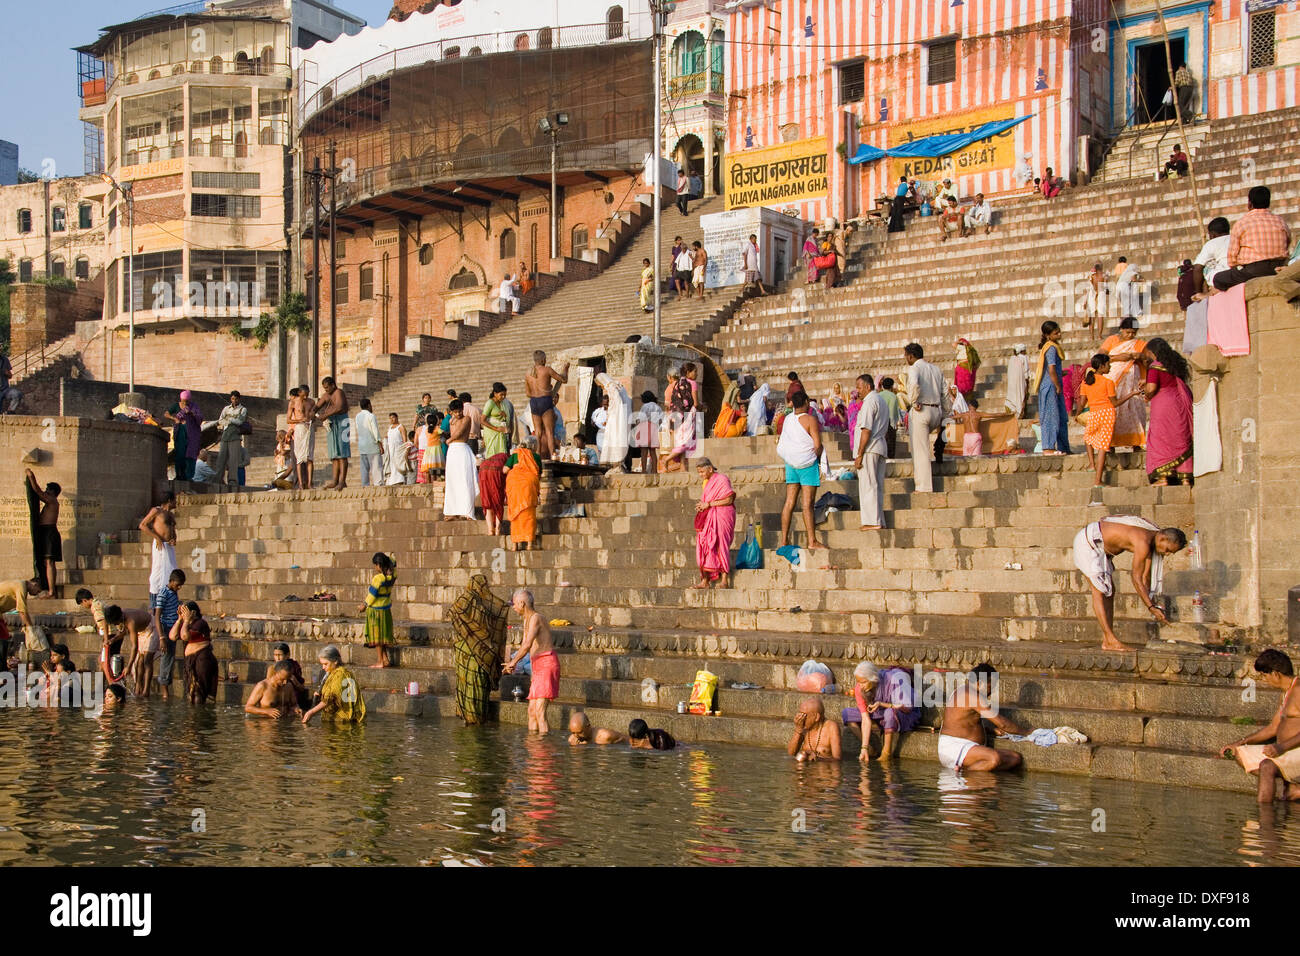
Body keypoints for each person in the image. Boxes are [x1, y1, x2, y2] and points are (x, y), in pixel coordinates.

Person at [1072, 517, 1187, 651]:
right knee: (1099, 590)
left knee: (1110, 591)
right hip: (1089, 542)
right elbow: (1136, 578)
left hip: (1103, 551)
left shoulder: (1151, 541)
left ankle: (1107, 640)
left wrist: (1154, 604)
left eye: (1170, 553)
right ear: (1162, 538)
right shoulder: (1143, 542)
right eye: (1167, 549)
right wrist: (1150, 607)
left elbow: (1145, 578)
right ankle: (1110, 640)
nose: (1166, 554)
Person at [1220, 650, 1300, 803]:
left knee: (1267, 766)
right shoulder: (1286, 693)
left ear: (1276, 674)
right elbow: (1272, 729)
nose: (1264, 680)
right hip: (1285, 750)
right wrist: (1238, 743)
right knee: (1240, 753)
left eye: (1264, 675)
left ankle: (1265, 821)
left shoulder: (1298, 690)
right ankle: (1292, 788)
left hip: (1293, 750)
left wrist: (1281, 747)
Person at [938, 663, 1028, 772]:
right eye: (991, 686)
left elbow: (968, 722)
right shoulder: (970, 695)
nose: (991, 691)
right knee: (994, 758)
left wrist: (989, 731)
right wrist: (1027, 733)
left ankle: (974, 773)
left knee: (1015, 758)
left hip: (969, 747)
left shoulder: (969, 692)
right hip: (954, 747)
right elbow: (1002, 723)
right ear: (980, 683)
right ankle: (962, 775)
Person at [449, 573, 509, 725]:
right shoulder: (485, 605)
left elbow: (453, 615)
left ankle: (468, 719)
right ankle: (477, 719)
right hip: (480, 651)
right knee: (477, 684)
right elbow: (491, 628)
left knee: (467, 683)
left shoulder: (462, 601)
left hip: (464, 649)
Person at [1076, 353, 1140, 487]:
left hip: (1094, 414)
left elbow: (1082, 403)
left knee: (1088, 439)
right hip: (1107, 415)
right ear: (1101, 366)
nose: (1110, 366)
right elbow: (1115, 403)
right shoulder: (1108, 382)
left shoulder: (1085, 383)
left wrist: (1077, 414)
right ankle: (1097, 481)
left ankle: (1092, 465)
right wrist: (1132, 394)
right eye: (1108, 364)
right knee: (1102, 448)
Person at [1213, 185, 1293, 291]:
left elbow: (1232, 258)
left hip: (1253, 271)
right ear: (1268, 202)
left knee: (1218, 279)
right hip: (1279, 267)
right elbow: (1288, 242)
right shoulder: (1280, 221)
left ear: (1249, 204)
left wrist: (1236, 268)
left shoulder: (1242, 222)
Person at [1142, 337, 1195, 486]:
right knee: (1180, 437)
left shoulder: (1155, 366)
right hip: (1179, 404)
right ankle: (1185, 477)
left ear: (1153, 352)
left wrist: (1143, 391)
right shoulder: (1175, 364)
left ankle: (1163, 477)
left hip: (1163, 405)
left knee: (1161, 439)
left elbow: (1151, 389)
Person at [502, 589, 556, 734]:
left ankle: (544, 750)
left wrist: (513, 662)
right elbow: (526, 647)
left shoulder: (536, 618)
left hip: (546, 663)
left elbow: (527, 645)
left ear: (522, 603)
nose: (513, 607)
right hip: (537, 665)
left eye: (514, 604)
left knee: (540, 712)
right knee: (532, 712)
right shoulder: (527, 620)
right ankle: (533, 748)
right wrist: (513, 662)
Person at [842, 661, 919, 761]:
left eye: (864, 682)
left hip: (902, 713)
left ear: (873, 679)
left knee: (889, 712)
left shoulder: (891, 680)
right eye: (859, 682)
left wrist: (881, 704)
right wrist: (864, 748)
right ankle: (870, 749)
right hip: (878, 714)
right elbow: (865, 718)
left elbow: (907, 707)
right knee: (847, 713)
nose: (861, 686)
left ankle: (886, 753)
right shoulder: (859, 689)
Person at [777, 390, 824, 551]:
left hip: (791, 464)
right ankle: (812, 541)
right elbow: (817, 445)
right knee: (807, 504)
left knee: (789, 502)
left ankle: (784, 540)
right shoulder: (810, 419)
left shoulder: (788, 419)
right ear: (805, 402)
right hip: (807, 465)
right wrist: (819, 458)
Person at [903, 342, 946, 490]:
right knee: (923, 448)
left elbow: (914, 385)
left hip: (922, 411)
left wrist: (914, 401)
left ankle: (923, 487)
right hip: (936, 411)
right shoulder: (936, 369)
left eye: (906, 356)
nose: (905, 359)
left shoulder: (914, 368)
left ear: (911, 356)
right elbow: (945, 392)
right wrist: (946, 414)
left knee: (920, 451)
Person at [1100, 318, 1148, 449]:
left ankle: (1136, 443)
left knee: (1135, 408)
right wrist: (1118, 358)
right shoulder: (1111, 340)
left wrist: (1141, 357)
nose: (1131, 335)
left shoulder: (1140, 344)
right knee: (1114, 410)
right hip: (1113, 379)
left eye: (1134, 332)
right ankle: (1111, 445)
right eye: (1128, 332)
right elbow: (1100, 357)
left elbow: (1149, 361)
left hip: (1133, 380)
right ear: (1121, 330)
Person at [852, 374, 889, 530]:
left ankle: (872, 522)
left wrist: (859, 454)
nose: (857, 391)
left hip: (869, 448)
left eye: (859, 387)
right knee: (877, 486)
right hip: (879, 446)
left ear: (868, 386)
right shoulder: (881, 400)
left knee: (868, 485)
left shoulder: (869, 402)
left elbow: (866, 430)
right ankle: (879, 520)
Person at [692, 458, 736, 589]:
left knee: (721, 545)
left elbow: (728, 499)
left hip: (723, 515)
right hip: (709, 517)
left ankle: (724, 580)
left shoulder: (722, 479)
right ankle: (705, 581)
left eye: (702, 472)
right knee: (704, 544)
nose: (700, 475)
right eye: (698, 472)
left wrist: (709, 504)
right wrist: (702, 506)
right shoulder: (707, 483)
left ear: (710, 469)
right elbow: (707, 500)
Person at [1032, 321, 1070, 455]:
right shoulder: (1051, 348)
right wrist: (1058, 384)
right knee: (1050, 416)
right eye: (1056, 333)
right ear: (1047, 335)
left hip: (1053, 384)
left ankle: (1063, 447)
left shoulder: (1054, 347)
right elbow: (1051, 368)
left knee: (1061, 417)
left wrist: (1062, 374)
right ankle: (1048, 448)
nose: (1059, 334)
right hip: (1050, 387)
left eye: (1059, 331)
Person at [302, 644, 366, 724]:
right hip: (343, 718)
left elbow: (330, 698)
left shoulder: (339, 675)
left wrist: (311, 712)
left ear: (335, 661)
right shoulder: (339, 673)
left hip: (343, 719)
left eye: (325, 664)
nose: (323, 667)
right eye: (322, 664)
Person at [170, 600, 218, 703]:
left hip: (203, 660)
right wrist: (179, 620)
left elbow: (184, 636)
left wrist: (186, 621)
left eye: (184, 612)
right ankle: (193, 717)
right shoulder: (184, 624)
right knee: (192, 692)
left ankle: (198, 716)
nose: (182, 614)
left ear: (193, 613)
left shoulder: (200, 623)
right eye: (181, 612)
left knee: (199, 692)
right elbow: (172, 636)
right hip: (191, 662)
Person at [25, 468, 62, 597]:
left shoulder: (52, 500)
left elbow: (38, 492)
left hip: (49, 533)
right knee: (46, 562)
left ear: (53, 492)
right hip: (45, 532)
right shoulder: (51, 502)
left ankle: (51, 591)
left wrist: (31, 476)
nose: (46, 491)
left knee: (49, 562)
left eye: (48, 490)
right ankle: (49, 588)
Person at [526, 350, 569, 461]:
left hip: (534, 402)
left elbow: (528, 393)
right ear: (543, 360)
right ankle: (553, 455)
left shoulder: (528, 373)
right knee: (550, 432)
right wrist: (566, 369)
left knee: (538, 432)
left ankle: (537, 456)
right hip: (545, 401)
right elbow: (563, 379)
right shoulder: (547, 370)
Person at [481, 383, 512, 535]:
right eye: (501, 395)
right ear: (495, 393)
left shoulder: (503, 404)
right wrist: (496, 428)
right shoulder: (490, 403)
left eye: (504, 395)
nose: (503, 397)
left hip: (501, 436)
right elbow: (482, 420)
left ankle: (492, 528)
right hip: (492, 434)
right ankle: (495, 527)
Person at [150, 568, 185, 699]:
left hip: (174, 628)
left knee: (170, 658)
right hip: (166, 630)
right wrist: (161, 637)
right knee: (166, 659)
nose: (179, 587)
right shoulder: (163, 593)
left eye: (181, 585)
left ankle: (166, 689)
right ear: (171, 581)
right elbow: (157, 616)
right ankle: (164, 692)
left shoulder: (173, 592)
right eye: (178, 585)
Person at [358, 552, 396, 669]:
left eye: (376, 565)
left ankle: (379, 661)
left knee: (377, 638)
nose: (375, 568)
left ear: (379, 565)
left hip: (375, 611)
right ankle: (385, 659)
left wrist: (364, 605)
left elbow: (372, 595)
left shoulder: (378, 578)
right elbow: (393, 561)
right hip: (385, 610)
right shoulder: (393, 576)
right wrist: (387, 559)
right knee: (383, 636)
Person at [504, 436, 542, 551]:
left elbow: (504, 470)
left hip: (514, 485)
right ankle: (530, 544)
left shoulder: (515, 455)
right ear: (534, 446)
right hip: (528, 486)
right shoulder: (536, 456)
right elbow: (539, 473)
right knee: (528, 515)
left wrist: (516, 469)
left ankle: (515, 545)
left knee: (515, 514)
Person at [312, 376, 350, 490]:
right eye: (324, 388)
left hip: (343, 423)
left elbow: (339, 407)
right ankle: (334, 480)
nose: (326, 390)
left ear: (333, 385)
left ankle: (342, 481)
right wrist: (312, 412)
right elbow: (317, 406)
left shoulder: (339, 392)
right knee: (334, 455)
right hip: (332, 424)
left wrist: (325, 415)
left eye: (327, 387)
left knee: (342, 454)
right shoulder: (326, 395)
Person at [443, 399, 478, 520]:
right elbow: (450, 429)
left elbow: (460, 432)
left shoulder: (466, 418)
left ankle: (467, 511)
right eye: (455, 412)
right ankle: (452, 511)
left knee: (465, 479)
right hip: (452, 451)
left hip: (462, 449)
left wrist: (449, 440)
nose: (458, 414)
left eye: (459, 411)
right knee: (452, 481)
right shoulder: (452, 420)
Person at [787, 697, 842, 762]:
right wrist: (798, 729)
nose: (800, 718)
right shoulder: (803, 727)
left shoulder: (831, 727)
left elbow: (838, 759)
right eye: (800, 714)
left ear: (816, 717)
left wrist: (818, 759)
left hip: (824, 769)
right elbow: (791, 753)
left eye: (804, 715)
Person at [595, 373, 631, 468]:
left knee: (614, 438)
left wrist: (611, 414)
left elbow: (617, 401)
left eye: (600, 385)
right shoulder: (618, 386)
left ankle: (615, 461)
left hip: (616, 417)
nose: (602, 387)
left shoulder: (611, 386)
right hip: (621, 416)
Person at [213, 390, 247, 486]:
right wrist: (231, 420)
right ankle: (219, 479)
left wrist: (229, 419)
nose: (234, 400)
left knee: (233, 460)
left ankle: (232, 480)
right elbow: (220, 420)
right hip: (225, 434)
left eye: (236, 398)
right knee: (221, 458)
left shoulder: (243, 409)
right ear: (230, 399)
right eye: (232, 398)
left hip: (235, 436)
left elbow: (240, 421)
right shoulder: (226, 408)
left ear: (239, 399)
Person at [168, 390, 203, 481]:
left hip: (192, 434)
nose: (185, 403)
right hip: (180, 432)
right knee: (180, 454)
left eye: (186, 401)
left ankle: (188, 476)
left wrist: (191, 413)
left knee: (191, 455)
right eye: (183, 401)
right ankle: (179, 475)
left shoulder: (194, 406)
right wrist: (175, 419)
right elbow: (166, 414)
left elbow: (199, 419)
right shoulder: (176, 406)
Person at [0, 579, 39, 660]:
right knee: (3, 638)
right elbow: (22, 610)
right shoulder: (21, 586)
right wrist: (30, 629)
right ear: (35, 584)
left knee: (5, 636)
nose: (36, 594)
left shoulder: (19, 584)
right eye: (38, 591)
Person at [1191, 217, 1231, 295]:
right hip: (1237, 273)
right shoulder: (1235, 238)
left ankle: (1205, 293)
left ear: (1212, 235)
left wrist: (1198, 291)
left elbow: (1197, 268)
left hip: (1220, 278)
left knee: (1206, 265)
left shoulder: (1211, 243)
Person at [288, 383, 316, 489]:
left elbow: (315, 416)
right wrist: (300, 420)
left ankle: (309, 483)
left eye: (307, 395)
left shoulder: (312, 402)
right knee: (299, 458)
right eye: (304, 395)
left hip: (309, 428)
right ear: (299, 393)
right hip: (299, 428)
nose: (305, 397)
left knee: (310, 457)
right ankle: (300, 483)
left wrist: (313, 418)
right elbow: (288, 419)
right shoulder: (293, 403)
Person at [354, 398, 383, 488]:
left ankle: (365, 485)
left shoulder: (357, 416)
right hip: (372, 445)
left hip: (362, 445)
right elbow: (375, 431)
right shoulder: (371, 416)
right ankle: (378, 485)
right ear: (369, 405)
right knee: (376, 467)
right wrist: (380, 444)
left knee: (364, 468)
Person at [633, 391, 662, 474]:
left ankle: (644, 470)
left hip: (645, 428)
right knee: (653, 452)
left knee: (644, 452)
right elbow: (660, 420)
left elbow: (640, 418)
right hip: (654, 428)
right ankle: (654, 470)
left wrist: (636, 424)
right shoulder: (658, 407)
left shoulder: (645, 406)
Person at [1004, 344, 1031, 424]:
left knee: (1014, 398)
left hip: (1012, 384)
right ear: (1023, 351)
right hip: (1021, 382)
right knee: (1022, 397)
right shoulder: (1024, 358)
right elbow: (1026, 372)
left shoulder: (1012, 359)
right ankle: (1022, 414)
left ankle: (1016, 414)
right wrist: (1027, 382)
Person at [878, 377, 901, 458]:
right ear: (891, 386)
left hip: (879, 422)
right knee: (890, 443)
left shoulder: (878, 395)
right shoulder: (893, 396)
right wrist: (894, 424)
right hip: (889, 423)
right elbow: (892, 411)